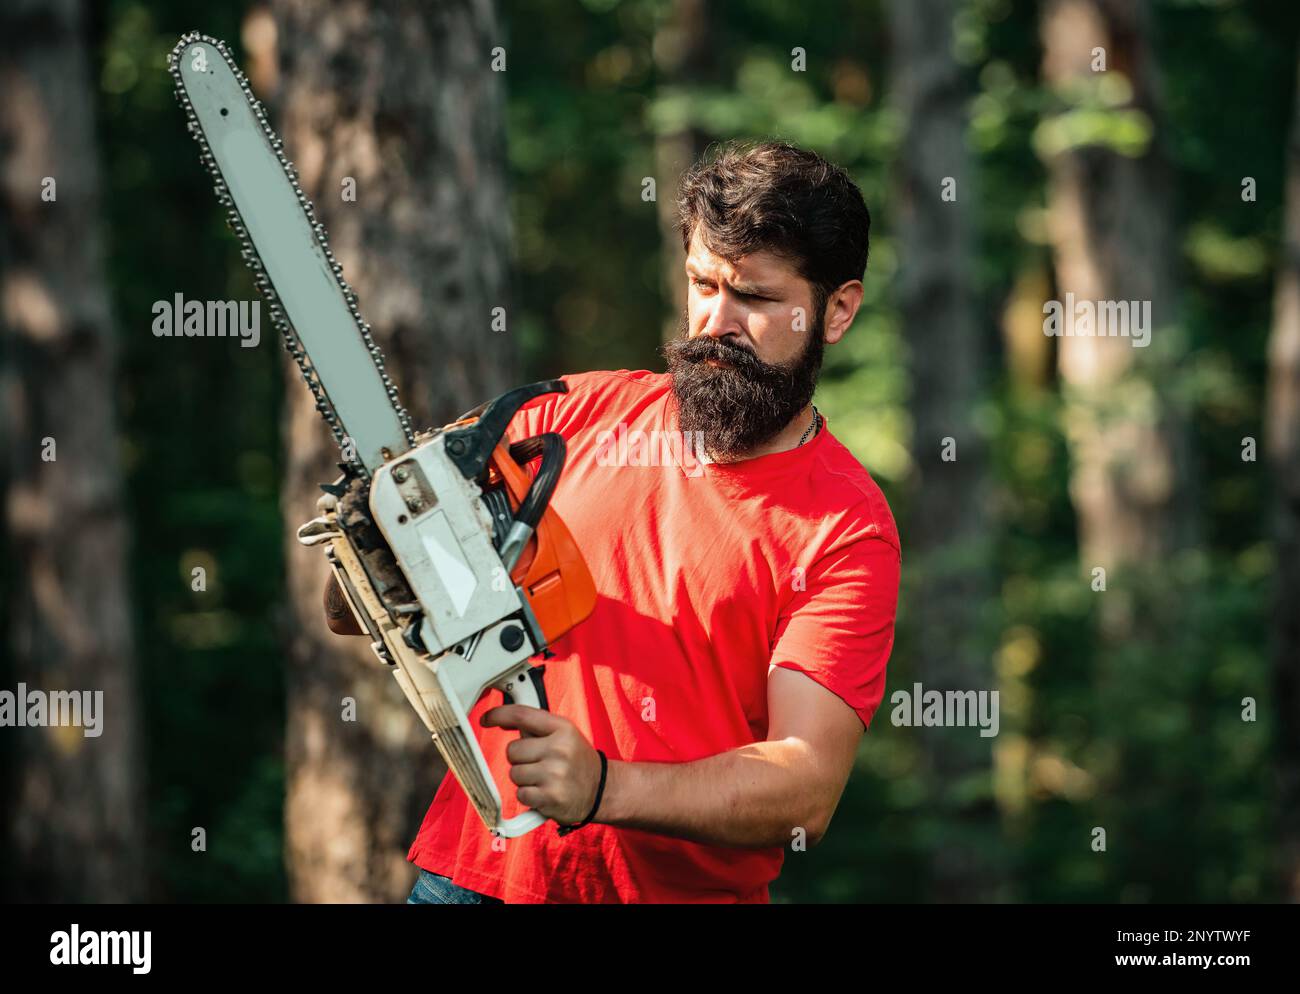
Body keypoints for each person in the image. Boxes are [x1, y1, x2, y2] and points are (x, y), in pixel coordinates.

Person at [325, 140, 901, 903]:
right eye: (703, 284)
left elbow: (804, 786)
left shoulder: (845, 526)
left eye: (755, 298)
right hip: (473, 880)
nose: (716, 323)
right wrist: (376, 546)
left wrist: (604, 787)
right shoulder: (570, 416)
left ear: (837, 309)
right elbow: (346, 610)